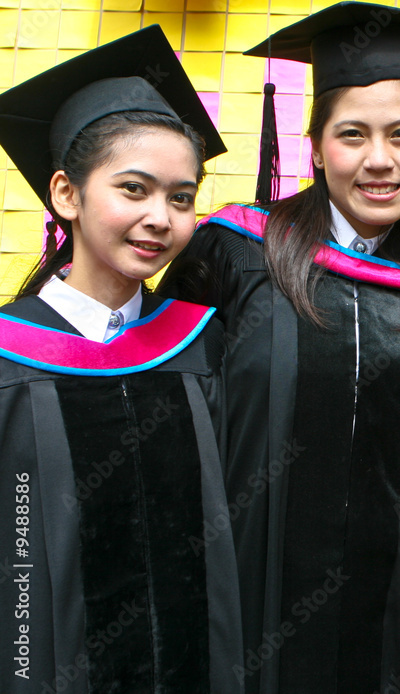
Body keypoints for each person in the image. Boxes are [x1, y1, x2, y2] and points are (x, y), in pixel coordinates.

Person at [156, 4, 400, 692]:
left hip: (394, 632)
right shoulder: (237, 254)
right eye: (351, 135)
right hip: (248, 618)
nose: (379, 161)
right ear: (313, 146)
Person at [0, 26, 242, 694]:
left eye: (182, 196)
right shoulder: (8, 358)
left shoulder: (200, 346)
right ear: (66, 194)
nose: (161, 217)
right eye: (134, 189)